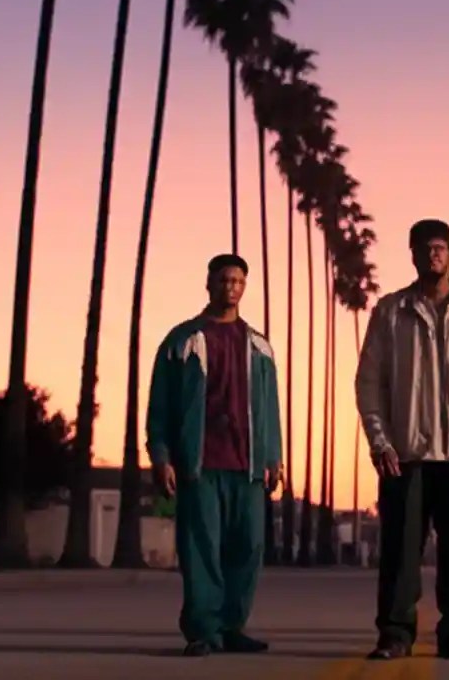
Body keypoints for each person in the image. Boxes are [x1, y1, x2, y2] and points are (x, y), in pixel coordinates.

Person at [355, 219, 449, 662]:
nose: (432, 256)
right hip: (405, 456)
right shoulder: (390, 312)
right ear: (413, 255)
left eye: (440, 248)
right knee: (400, 553)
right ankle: (395, 634)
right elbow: (370, 381)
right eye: (424, 250)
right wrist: (380, 441)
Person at [145, 253, 283, 657]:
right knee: (201, 548)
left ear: (245, 287)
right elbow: (160, 405)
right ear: (209, 284)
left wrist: (274, 456)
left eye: (238, 281)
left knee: (248, 548)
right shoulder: (183, 340)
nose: (231, 287)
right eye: (224, 280)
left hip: (249, 466)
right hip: (201, 465)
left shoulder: (259, 346)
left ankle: (232, 626)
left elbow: (270, 407)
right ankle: (204, 630)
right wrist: (161, 454)